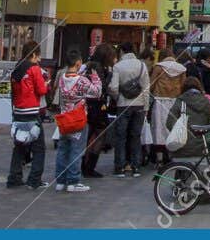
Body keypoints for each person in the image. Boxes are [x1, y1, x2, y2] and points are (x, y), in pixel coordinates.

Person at [54, 48, 101, 192]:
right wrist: (95, 78)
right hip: (78, 120)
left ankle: (60, 181)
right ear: (79, 63)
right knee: (76, 150)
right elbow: (97, 92)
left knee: (63, 150)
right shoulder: (82, 81)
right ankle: (73, 181)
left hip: (64, 119)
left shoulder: (62, 78)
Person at [5, 41, 49, 190]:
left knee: (19, 145)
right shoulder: (34, 69)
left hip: (18, 112)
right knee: (39, 147)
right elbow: (42, 90)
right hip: (31, 111)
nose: (39, 59)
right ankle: (34, 179)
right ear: (34, 54)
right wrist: (46, 82)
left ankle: (14, 177)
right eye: (38, 56)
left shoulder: (17, 68)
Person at [109, 41, 150, 177]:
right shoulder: (142, 66)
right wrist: (146, 106)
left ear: (121, 51)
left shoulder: (117, 66)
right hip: (139, 105)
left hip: (123, 104)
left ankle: (119, 167)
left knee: (121, 136)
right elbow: (146, 88)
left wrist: (118, 97)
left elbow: (113, 87)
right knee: (135, 136)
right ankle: (135, 166)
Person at [146, 55, 188, 168]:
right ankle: (171, 157)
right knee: (172, 129)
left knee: (158, 130)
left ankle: (159, 159)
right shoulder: (182, 69)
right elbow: (184, 86)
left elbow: (151, 85)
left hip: (160, 100)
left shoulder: (158, 68)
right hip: (175, 100)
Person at [80, 44, 114, 179]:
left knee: (91, 134)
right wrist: (110, 74)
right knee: (99, 134)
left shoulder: (89, 65)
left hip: (90, 104)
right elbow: (102, 87)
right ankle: (89, 166)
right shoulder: (97, 67)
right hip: (96, 105)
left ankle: (86, 165)